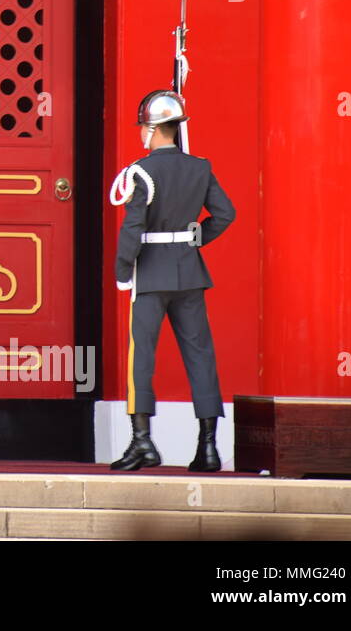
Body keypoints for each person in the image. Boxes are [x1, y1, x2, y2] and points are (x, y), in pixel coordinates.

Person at [110, 90, 236, 472]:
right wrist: (199, 237)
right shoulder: (200, 167)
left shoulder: (142, 171)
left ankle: (142, 441)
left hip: (149, 272)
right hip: (189, 271)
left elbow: (133, 227)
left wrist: (121, 270)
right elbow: (225, 214)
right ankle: (208, 447)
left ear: (151, 129)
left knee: (141, 358)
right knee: (200, 356)